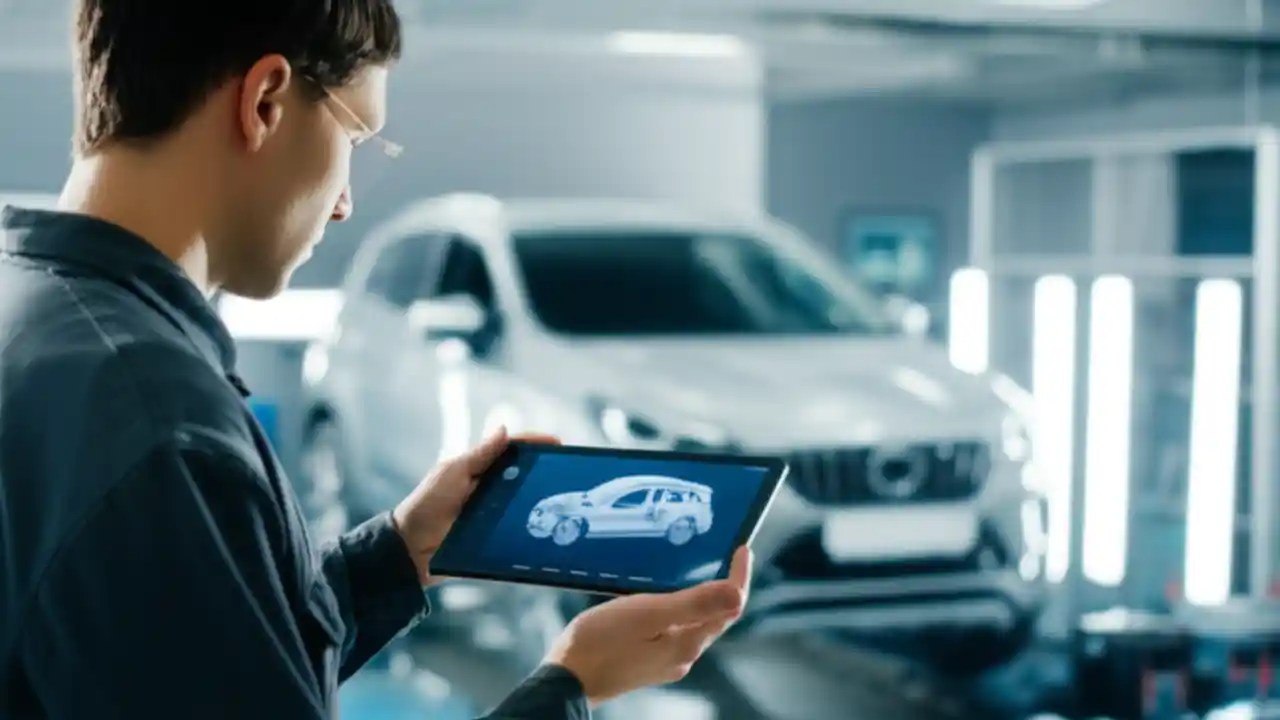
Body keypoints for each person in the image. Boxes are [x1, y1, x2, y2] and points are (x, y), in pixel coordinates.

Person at [0, 1, 752, 717]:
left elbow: (190, 653)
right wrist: (573, 683)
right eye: (356, 137)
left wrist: (402, 550)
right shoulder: (162, 426)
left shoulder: (39, 315)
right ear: (265, 101)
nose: (343, 203)